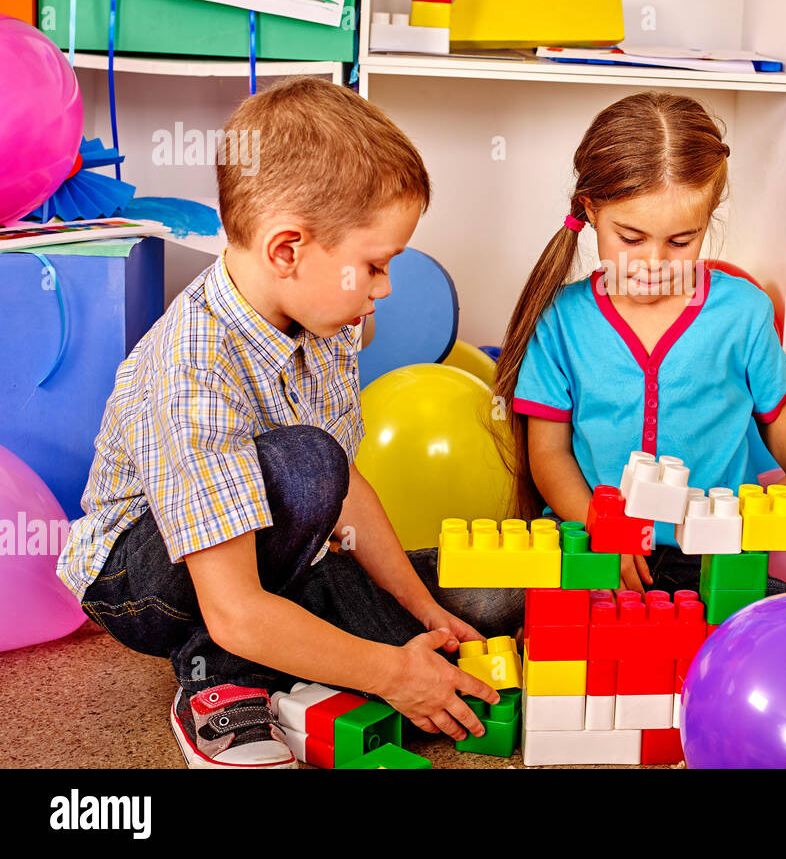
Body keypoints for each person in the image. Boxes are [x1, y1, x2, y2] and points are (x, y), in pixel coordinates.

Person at [56, 77, 521, 768]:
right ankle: (214, 680)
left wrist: (421, 607)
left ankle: (295, 639)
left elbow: (348, 494)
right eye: (373, 265)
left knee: (491, 600)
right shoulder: (193, 364)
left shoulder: (327, 315)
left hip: (267, 558)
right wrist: (391, 674)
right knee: (308, 463)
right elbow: (240, 599)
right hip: (144, 581)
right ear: (286, 250)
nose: (384, 288)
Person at [495, 91, 786, 595]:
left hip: (711, 549)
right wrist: (600, 526)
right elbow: (549, 453)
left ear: (708, 221)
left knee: (773, 624)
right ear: (591, 212)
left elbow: (782, 412)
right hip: (591, 539)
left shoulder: (744, 311)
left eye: (680, 241)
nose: (653, 262)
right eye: (631, 238)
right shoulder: (561, 320)